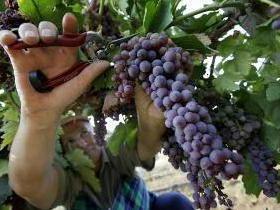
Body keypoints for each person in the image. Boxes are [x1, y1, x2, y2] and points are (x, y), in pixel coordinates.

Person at [0, 13, 194, 210]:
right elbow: (28, 184)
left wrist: (152, 121)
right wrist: (38, 120)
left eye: (84, 132)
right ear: (65, 154)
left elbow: (146, 147)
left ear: (94, 132)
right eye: (71, 142)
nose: (83, 143)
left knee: (174, 202)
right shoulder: (70, 183)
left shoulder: (114, 156)